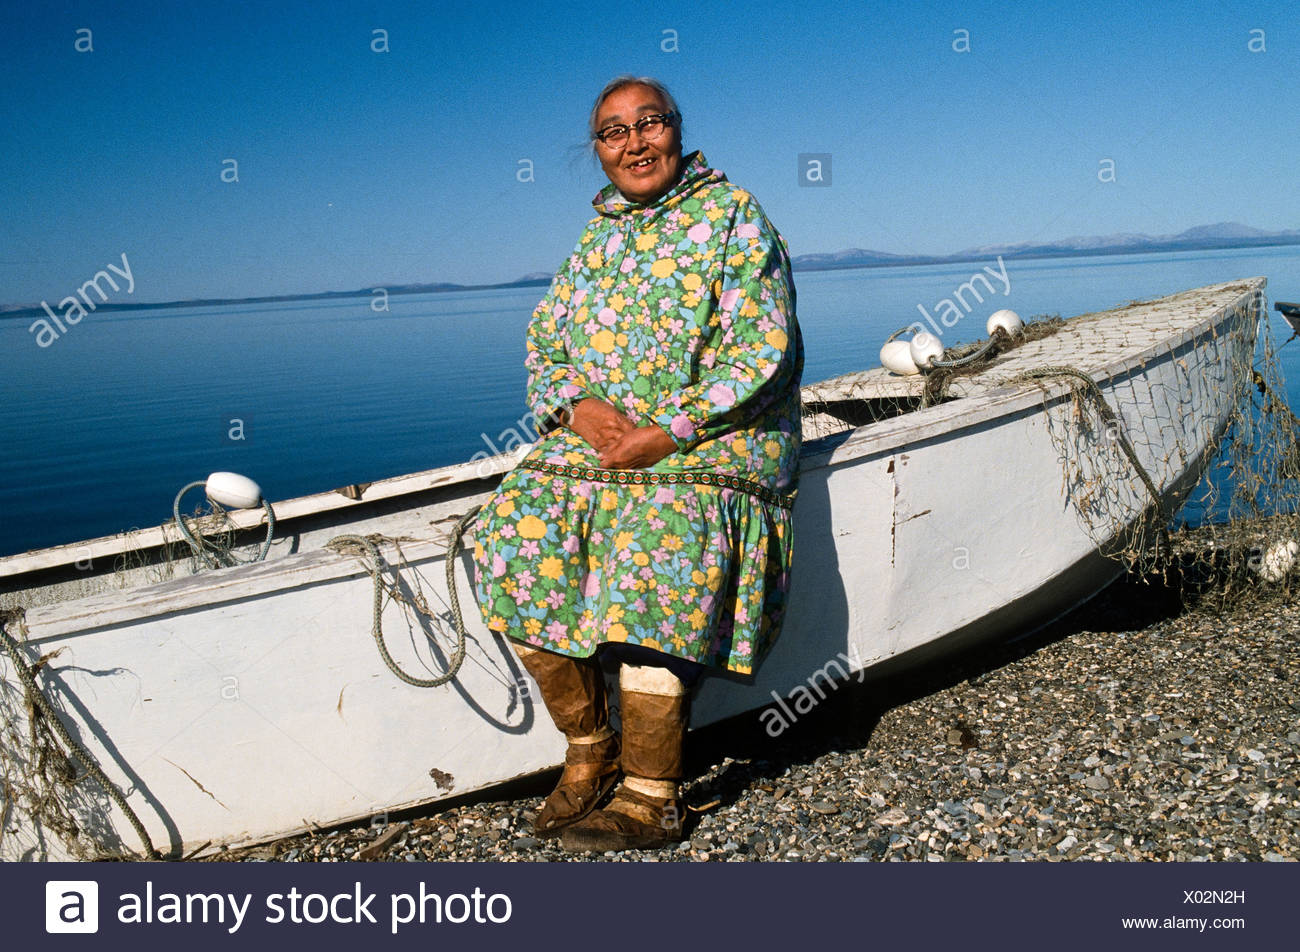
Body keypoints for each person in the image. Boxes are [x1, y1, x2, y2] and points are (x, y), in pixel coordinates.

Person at [470, 75, 803, 852]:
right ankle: (591, 752)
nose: (633, 143)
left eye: (648, 124)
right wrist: (576, 408)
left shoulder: (733, 216)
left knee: (657, 538)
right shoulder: (596, 238)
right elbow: (545, 345)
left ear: (677, 131)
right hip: (610, 442)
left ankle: (654, 794)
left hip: (720, 436)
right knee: (515, 529)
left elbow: (765, 352)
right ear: (597, 150)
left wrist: (671, 430)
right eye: (613, 132)